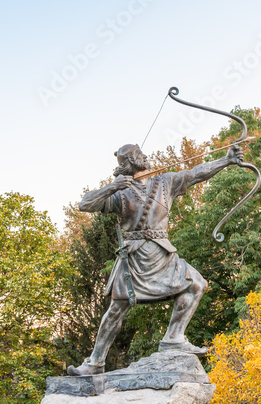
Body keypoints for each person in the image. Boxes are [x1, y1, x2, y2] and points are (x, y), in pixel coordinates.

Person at [67, 142, 244, 376]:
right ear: (129, 163)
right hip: (134, 258)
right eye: (139, 155)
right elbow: (85, 204)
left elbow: (195, 174)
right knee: (116, 308)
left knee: (197, 284)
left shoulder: (164, 182)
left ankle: (173, 337)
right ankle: (94, 362)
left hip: (162, 254)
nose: (145, 156)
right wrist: (112, 187)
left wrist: (226, 160)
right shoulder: (120, 192)